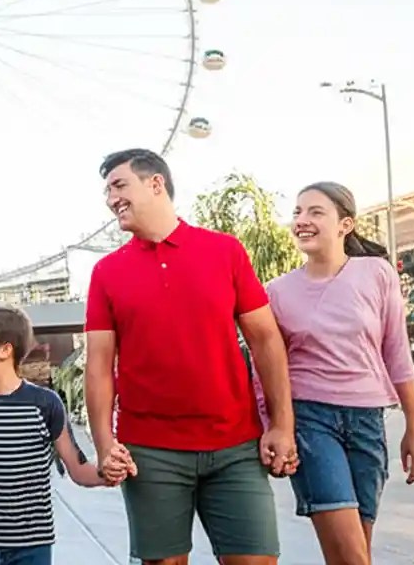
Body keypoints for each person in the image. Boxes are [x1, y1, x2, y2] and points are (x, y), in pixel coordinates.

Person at [84, 148, 297, 565]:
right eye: (107, 191)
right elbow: (98, 365)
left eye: (119, 185)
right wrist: (105, 444)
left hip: (236, 444)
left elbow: (266, 340)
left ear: (156, 183)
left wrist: (282, 426)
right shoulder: (107, 272)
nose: (111, 199)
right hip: (149, 451)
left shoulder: (225, 251)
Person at [263, 182, 414, 565]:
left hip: (368, 421)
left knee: (356, 552)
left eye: (315, 212)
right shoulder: (275, 292)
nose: (302, 221)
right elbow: (266, 368)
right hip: (310, 421)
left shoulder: (376, 273)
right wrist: (274, 427)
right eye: (297, 212)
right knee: (352, 556)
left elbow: (397, 353)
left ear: (346, 225)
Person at [0, 305, 135, 565]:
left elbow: (77, 469)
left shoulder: (46, 404)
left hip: (33, 546)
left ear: (5, 350)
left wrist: (106, 475)